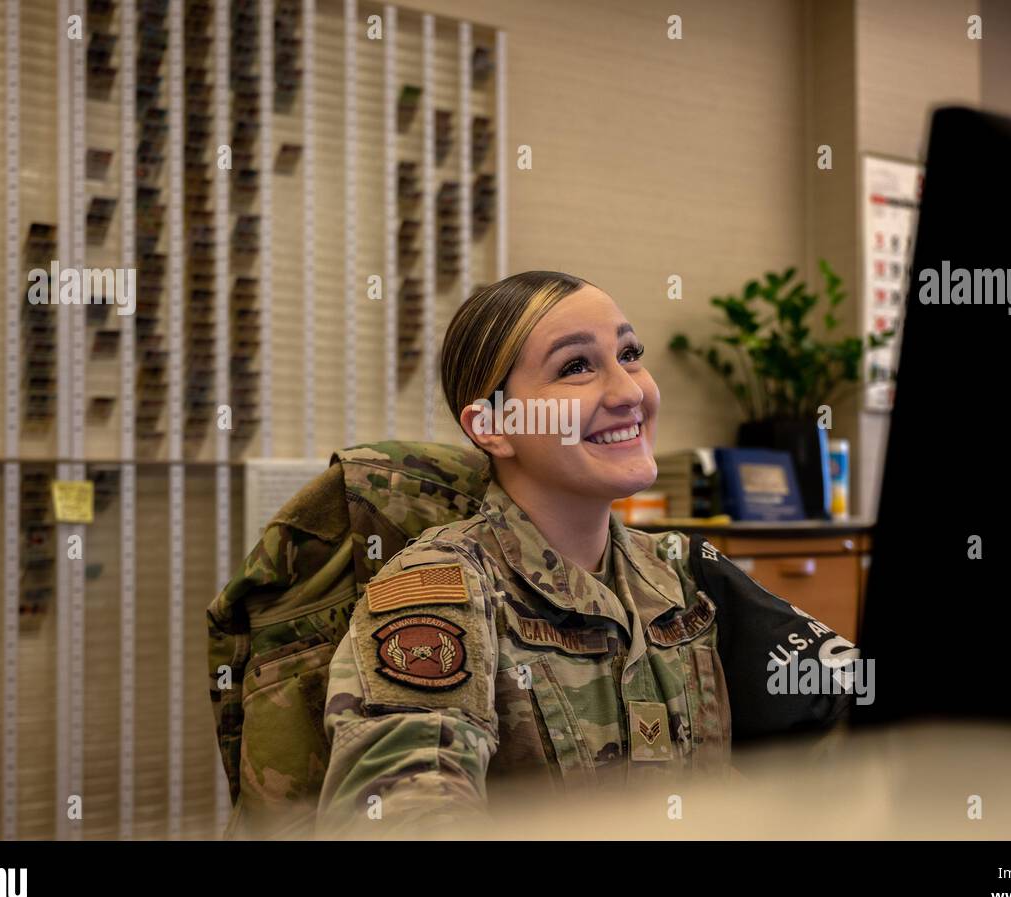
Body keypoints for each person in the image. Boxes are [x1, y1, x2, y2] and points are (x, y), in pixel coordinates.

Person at [316, 270, 737, 837]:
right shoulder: (444, 588)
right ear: (492, 427)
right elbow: (400, 813)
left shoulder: (682, 575)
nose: (629, 391)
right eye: (576, 366)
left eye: (630, 354)